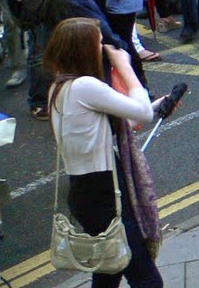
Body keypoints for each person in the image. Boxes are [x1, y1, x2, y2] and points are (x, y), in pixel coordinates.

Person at [45, 18, 163, 288]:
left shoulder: (60, 88)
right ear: (83, 51)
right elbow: (140, 111)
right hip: (106, 196)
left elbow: (119, 121)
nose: (103, 49)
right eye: (98, 44)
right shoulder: (85, 86)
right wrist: (124, 64)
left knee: (108, 272)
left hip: (86, 193)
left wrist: (158, 106)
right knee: (147, 281)